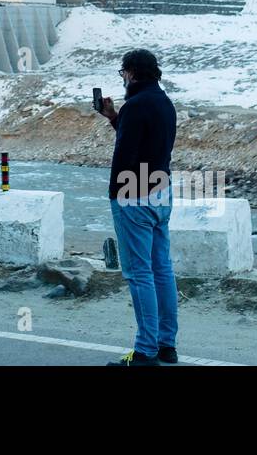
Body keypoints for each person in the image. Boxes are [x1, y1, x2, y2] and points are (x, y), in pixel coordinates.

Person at [97, 48, 178, 366]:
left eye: (123, 74)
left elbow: (125, 155)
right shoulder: (164, 103)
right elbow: (147, 143)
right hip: (161, 191)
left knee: (139, 273)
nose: (123, 79)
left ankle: (145, 352)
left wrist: (115, 194)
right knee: (162, 270)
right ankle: (166, 345)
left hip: (134, 196)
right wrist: (114, 118)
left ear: (131, 72)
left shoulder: (135, 105)